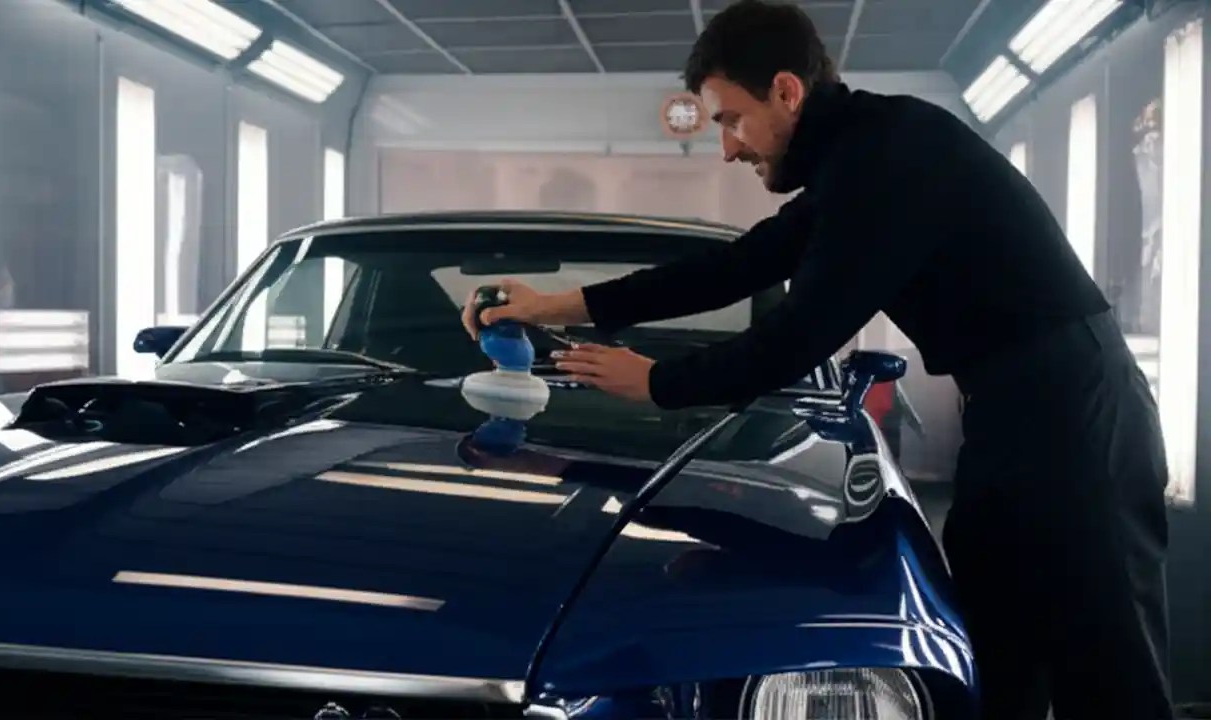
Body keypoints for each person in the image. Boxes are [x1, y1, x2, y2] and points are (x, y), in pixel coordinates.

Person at [461, 1, 1174, 717]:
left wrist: (658, 382)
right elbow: (736, 268)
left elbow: (801, 335)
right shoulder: (853, 162)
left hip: (1078, 414)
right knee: (1001, 658)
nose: (729, 149)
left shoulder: (890, 158)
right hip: (1012, 408)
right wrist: (550, 304)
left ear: (786, 92)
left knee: (1108, 672)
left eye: (731, 120)